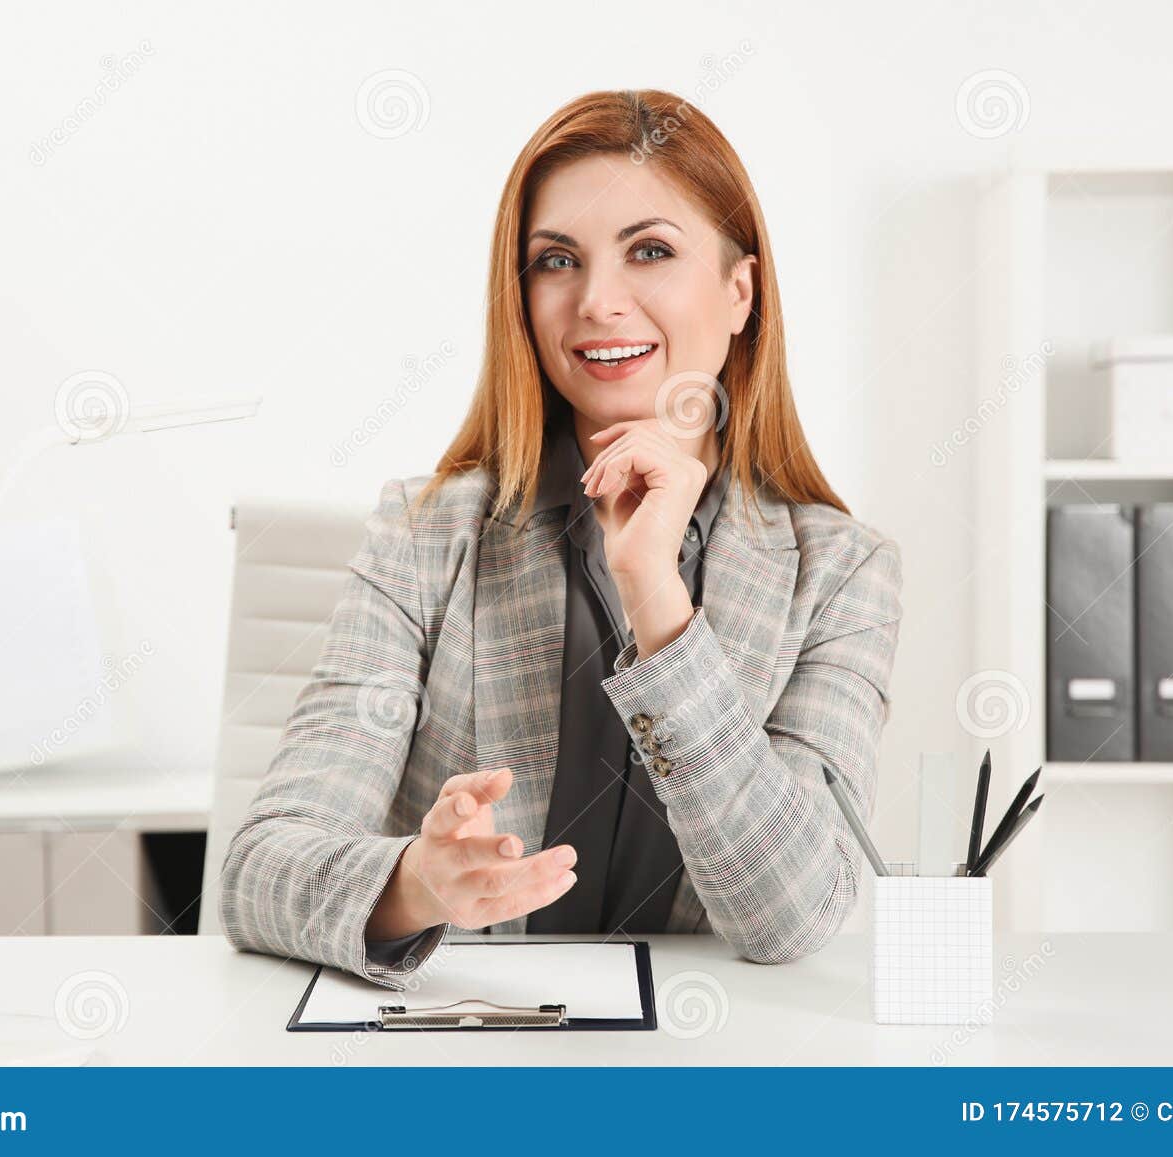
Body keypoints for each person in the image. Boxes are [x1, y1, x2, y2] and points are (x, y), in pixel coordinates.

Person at [220, 89, 903, 988]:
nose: (597, 302)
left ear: (740, 292)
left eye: (650, 250)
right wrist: (415, 883)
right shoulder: (426, 536)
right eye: (556, 261)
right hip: (477, 1037)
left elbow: (792, 913)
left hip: (709, 1048)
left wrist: (657, 596)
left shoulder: (842, 572)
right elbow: (257, 872)